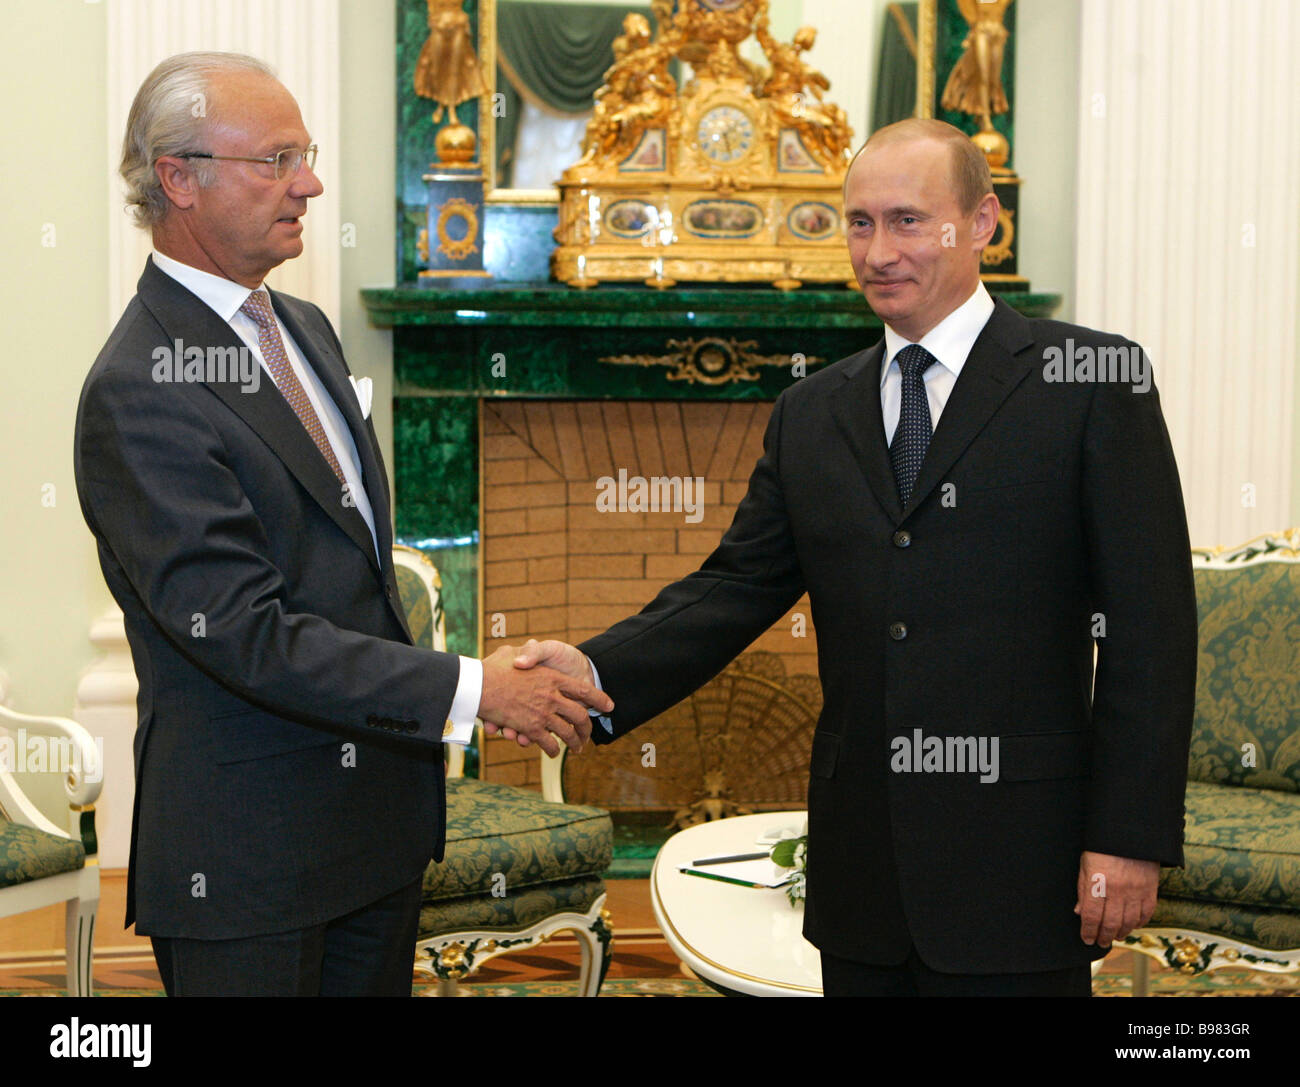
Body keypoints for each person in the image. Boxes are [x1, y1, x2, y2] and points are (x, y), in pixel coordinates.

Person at [505, 118, 1198, 996]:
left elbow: (1152, 633)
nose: (876, 251)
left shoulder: (1092, 384)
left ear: (983, 222)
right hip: (861, 875)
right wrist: (591, 670)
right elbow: (732, 589)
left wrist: (1129, 836)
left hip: (1022, 869)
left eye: (907, 220)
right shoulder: (811, 411)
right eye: (858, 222)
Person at [73, 51, 610, 997]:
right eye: (276, 160)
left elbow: (348, 573)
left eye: (306, 154)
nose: (310, 183)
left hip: (372, 840)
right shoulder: (137, 388)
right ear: (178, 179)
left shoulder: (306, 329)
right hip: (249, 864)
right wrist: (475, 689)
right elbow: (245, 634)